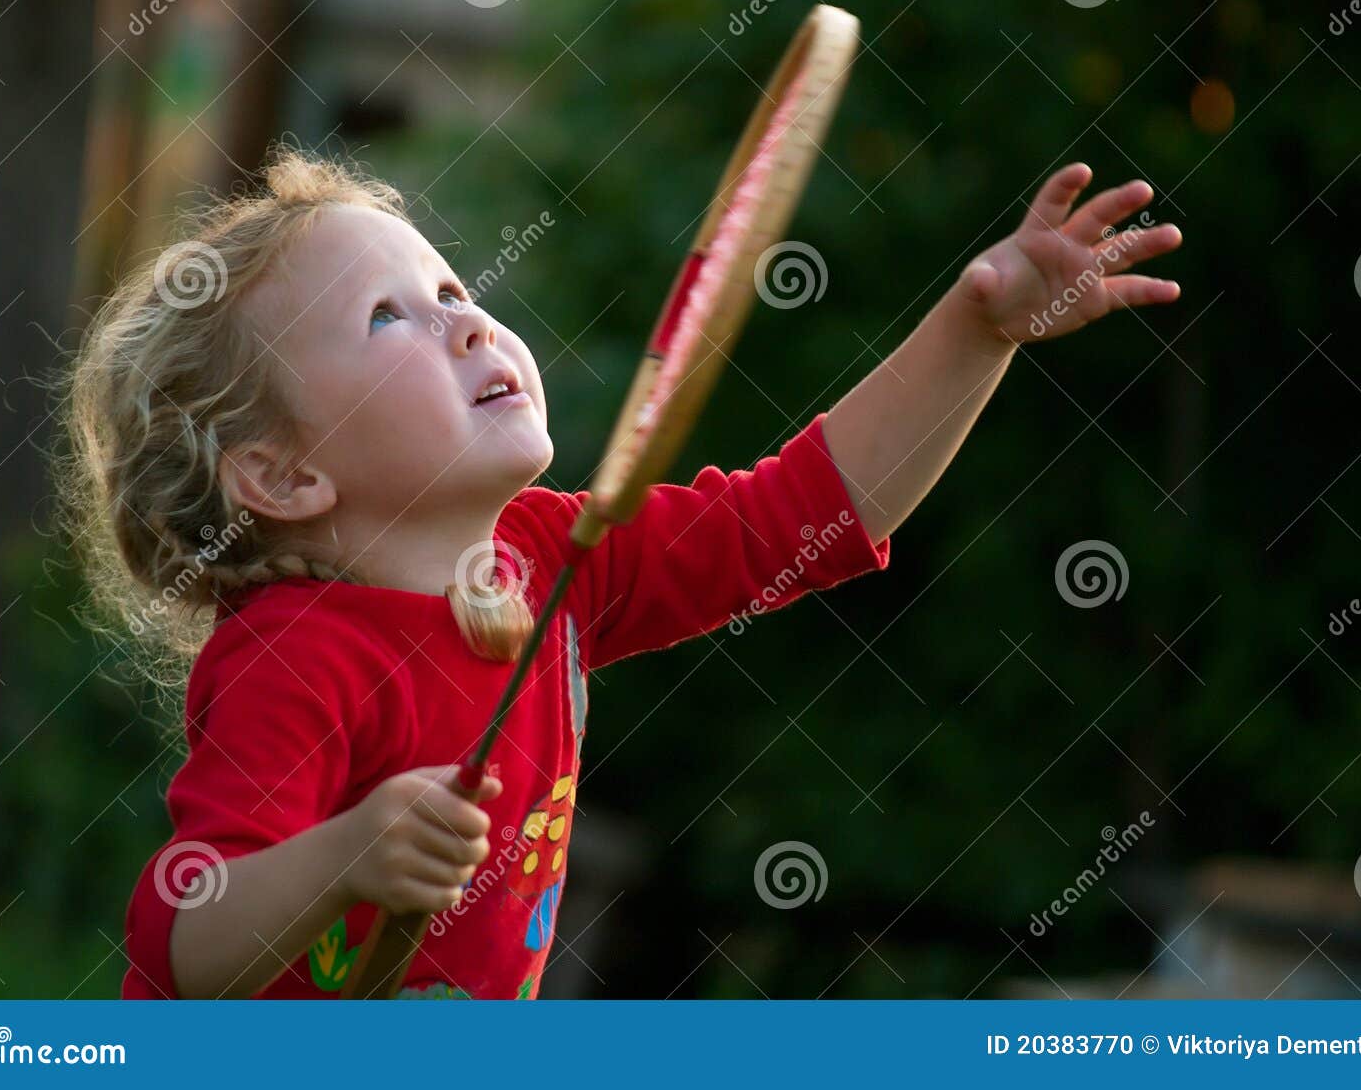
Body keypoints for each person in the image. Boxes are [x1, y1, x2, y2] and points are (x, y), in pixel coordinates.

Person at [63, 150, 1180, 999]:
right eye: (387, 315)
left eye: (452, 289)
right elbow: (181, 933)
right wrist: (346, 853)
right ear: (284, 473)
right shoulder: (295, 655)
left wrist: (978, 327)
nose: (461, 322)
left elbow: (800, 516)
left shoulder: (552, 561)